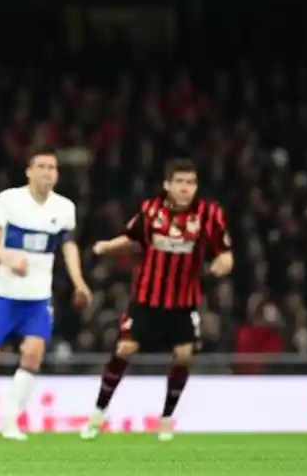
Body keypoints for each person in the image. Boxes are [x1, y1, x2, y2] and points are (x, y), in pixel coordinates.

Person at [0, 147, 91, 440]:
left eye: (52, 168)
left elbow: (68, 246)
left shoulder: (64, 208)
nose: (48, 173)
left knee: (32, 355)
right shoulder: (9, 200)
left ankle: (9, 423)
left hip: (39, 297)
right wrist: (7, 258)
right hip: (5, 294)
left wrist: (79, 282)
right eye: (42, 167)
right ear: (29, 172)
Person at [81, 158, 232, 442]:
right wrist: (107, 246)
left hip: (183, 302)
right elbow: (134, 239)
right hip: (146, 299)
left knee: (184, 355)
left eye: (191, 183)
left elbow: (224, 251)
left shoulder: (209, 214)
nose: (185, 188)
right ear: (167, 185)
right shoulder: (150, 210)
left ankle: (166, 420)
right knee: (125, 348)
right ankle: (97, 415)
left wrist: (224, 262)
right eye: (180, 182)